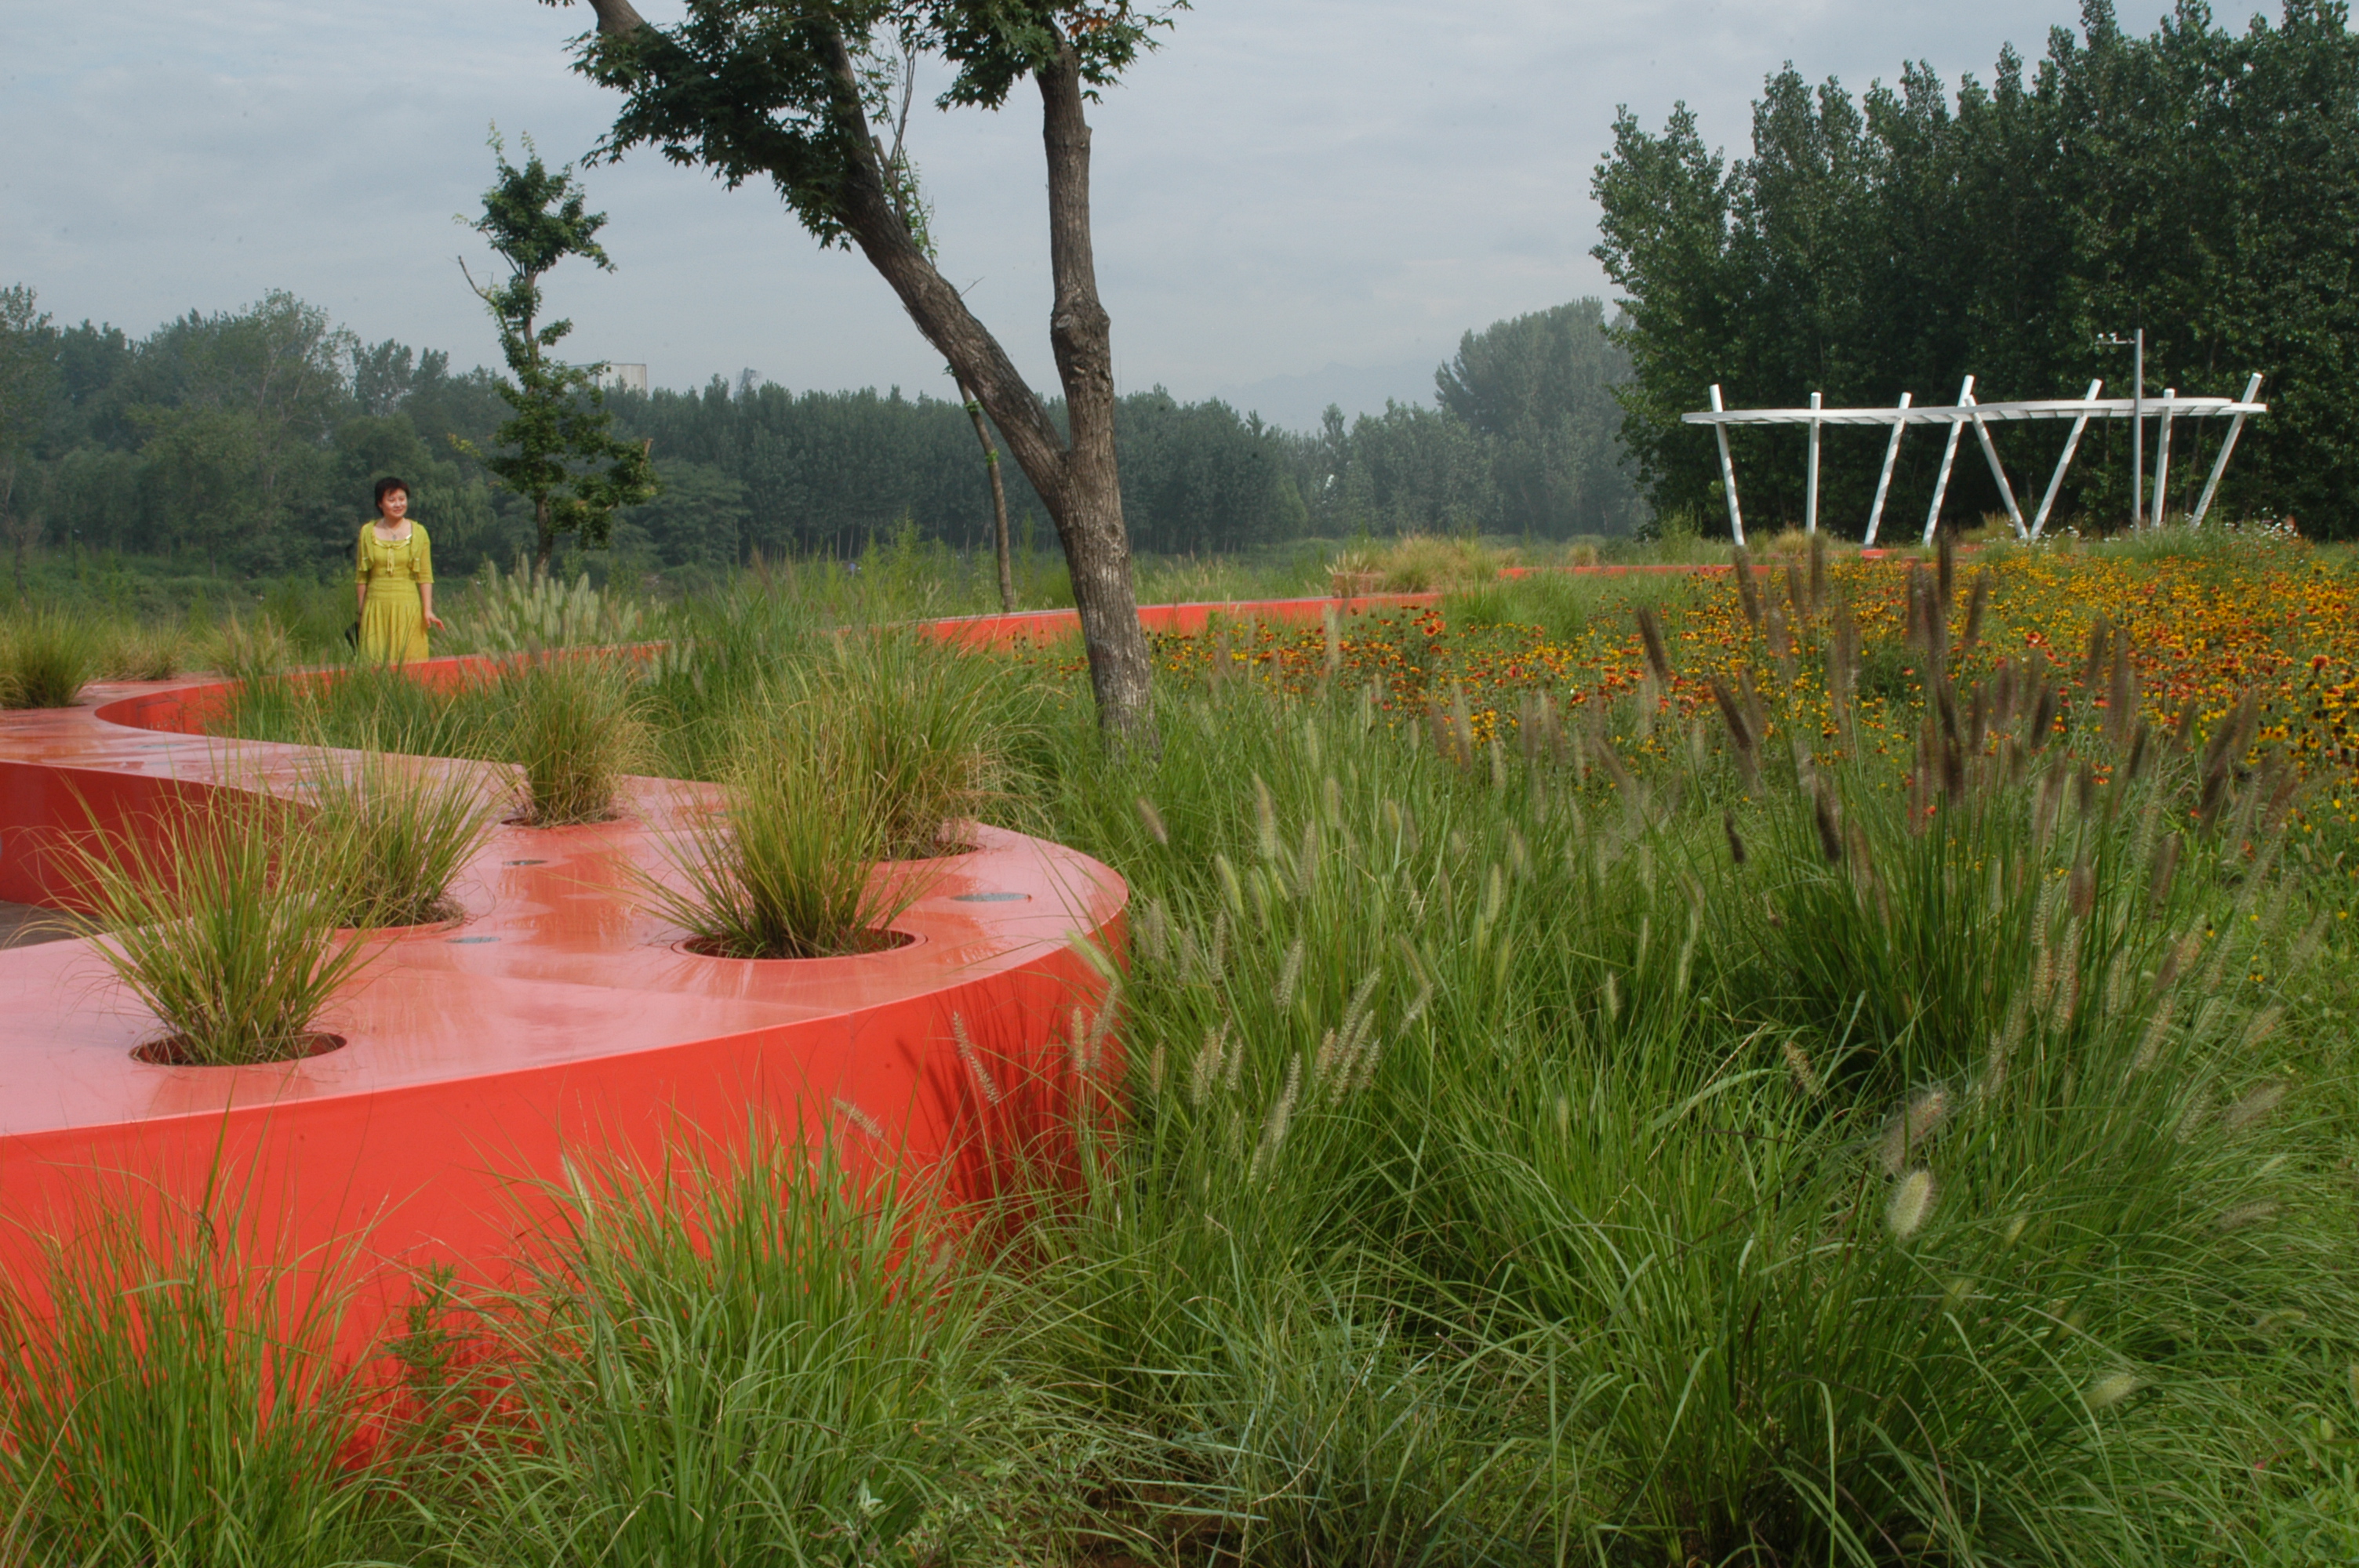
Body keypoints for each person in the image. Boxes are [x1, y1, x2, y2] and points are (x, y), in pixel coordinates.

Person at [355, 476, 444, 663]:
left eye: (402, 499)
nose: (398, 504)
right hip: (376, 606)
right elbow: (362, 576)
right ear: (380, 503)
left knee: (411, 664)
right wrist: (362, 613)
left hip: (408, 606)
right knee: (375, 664)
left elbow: (425, 576)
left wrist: (427, 610)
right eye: (392, 499)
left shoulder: (419, 532)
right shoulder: (367, 532)